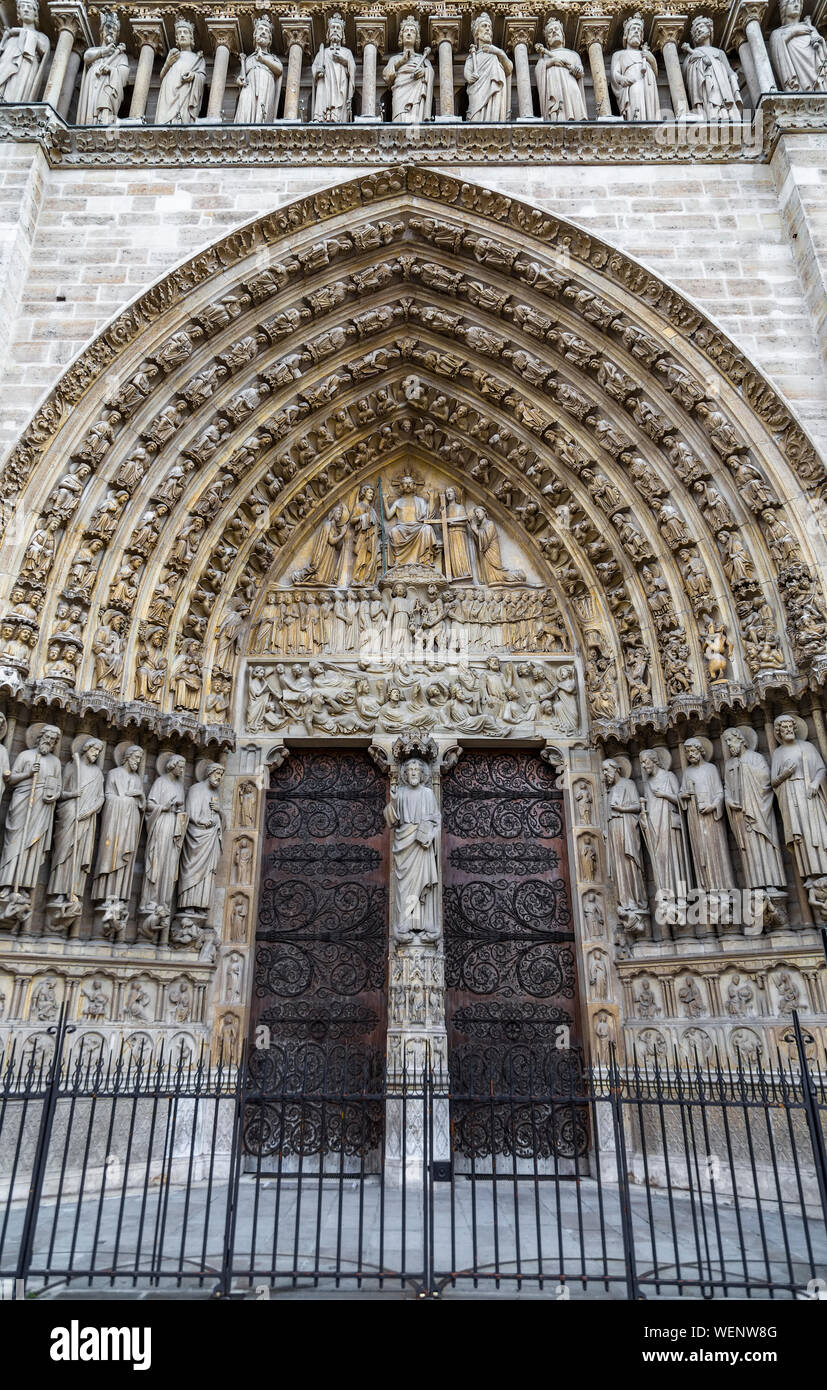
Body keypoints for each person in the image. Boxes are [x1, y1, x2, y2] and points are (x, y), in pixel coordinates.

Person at [384, 760, 441, 942]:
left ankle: (422, 925)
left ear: (423, 774)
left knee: (421, 885)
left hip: (422, 846)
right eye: (410, 770)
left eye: (417, 770)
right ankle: (407, 925)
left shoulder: (428, 794)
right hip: (405, 846)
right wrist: (393, 800)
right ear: (405, 775)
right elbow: (392, 820)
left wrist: (431, 835)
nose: (414, 773)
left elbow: (436, 820)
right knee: (406, 888)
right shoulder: (399, 793)